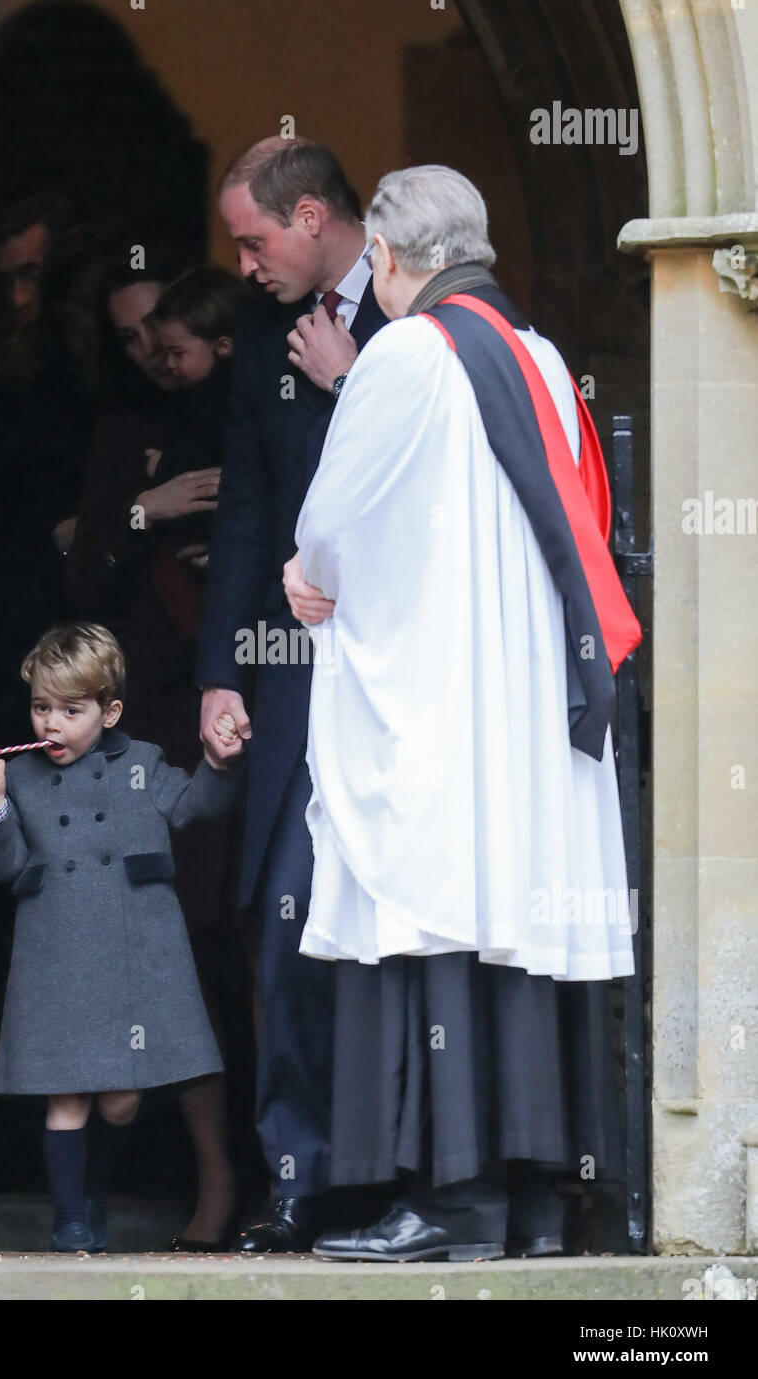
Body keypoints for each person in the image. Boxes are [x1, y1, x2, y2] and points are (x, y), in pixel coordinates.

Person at [281, 165, 642, 1261]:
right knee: (515, 935)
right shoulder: (535, 356)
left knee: (432, 921)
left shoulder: (409, 351)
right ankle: (534, 1207)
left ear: (387, 259)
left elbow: (336, 519)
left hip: (444, 699)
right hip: (525, 705)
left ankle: (447, 1204)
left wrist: (306, 572)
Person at [195, 136, 387, 1253]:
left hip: (400, 669)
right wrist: (224, 669)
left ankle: (395, 1177)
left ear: (311, 215)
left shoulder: (424, 323)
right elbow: (246, 517)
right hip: (292, 672)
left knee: (396, 925)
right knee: (285, 922)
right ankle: (299, 1181)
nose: (245, 263)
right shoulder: (262, 334)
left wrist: (349, 385)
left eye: (254, 239)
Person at [67, 264, 249, 1252]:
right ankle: (211, 1178)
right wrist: (151, 506)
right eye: (133, 340)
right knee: (173, 953)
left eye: (161, 337)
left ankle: (299, 1172)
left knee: (261, 939)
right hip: (154, 720)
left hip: (247, 709)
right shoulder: (121, 436)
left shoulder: (260, 410)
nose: (150, 358)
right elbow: (82, 565)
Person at [0, 622, 241, 1253]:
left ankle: (91, 1189)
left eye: (71, 710)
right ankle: (68, 1223)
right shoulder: (21, 777)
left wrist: (220, 762)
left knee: (120, 1101)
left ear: (109, 710)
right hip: (57, 955)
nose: (51, 726)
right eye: (41, 708)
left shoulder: (141, 764)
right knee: (65, 1101)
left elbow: (197, 805)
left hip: (130, 954)